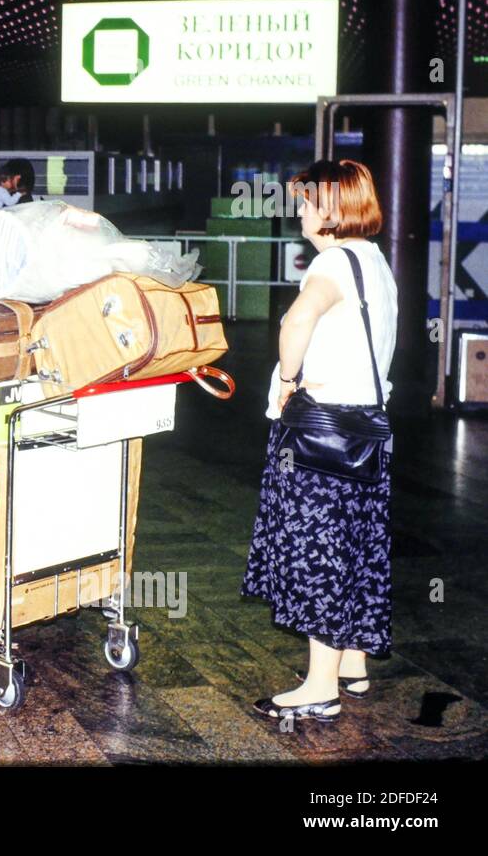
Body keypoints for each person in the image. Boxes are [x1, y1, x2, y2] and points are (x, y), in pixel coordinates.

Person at [242, 159, 398, 724]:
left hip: (323, 431)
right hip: (367, 430)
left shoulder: (331, 263)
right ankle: (353, 661)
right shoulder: (372, 261)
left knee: (318, 552)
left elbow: (296, 322)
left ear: (332, 208)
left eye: (307, 200)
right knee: (356, 546)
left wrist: (287, 382)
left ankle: (319, 687)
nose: (300, 210)